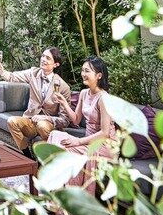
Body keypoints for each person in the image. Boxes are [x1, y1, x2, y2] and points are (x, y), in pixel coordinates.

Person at [48, 57, 116, 195]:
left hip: (104, 146)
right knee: (55, 135)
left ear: (99, 75)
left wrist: (78, 141)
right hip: (88, 140)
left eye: (87, 71)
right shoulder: (84, 93)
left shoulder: (104, 99)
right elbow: (76, 120)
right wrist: (64, 102)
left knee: (66, 153)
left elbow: (105, 133)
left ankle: (67, 195)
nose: (83, 74)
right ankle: (56, 189)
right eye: (82, 70)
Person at [0, 47, 72, 159]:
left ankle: (46, 158)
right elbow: (13, 77)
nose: (43, 59)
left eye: (48, 58)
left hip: (48, 125)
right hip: (30, 121)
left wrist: (45, 118)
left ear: (56, 64)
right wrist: (2, 72)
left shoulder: (63, 86)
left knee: (42, 125)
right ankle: (28, 156)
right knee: (12, 121)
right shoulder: (33, 73)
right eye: (43, 56)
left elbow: (65, 120)